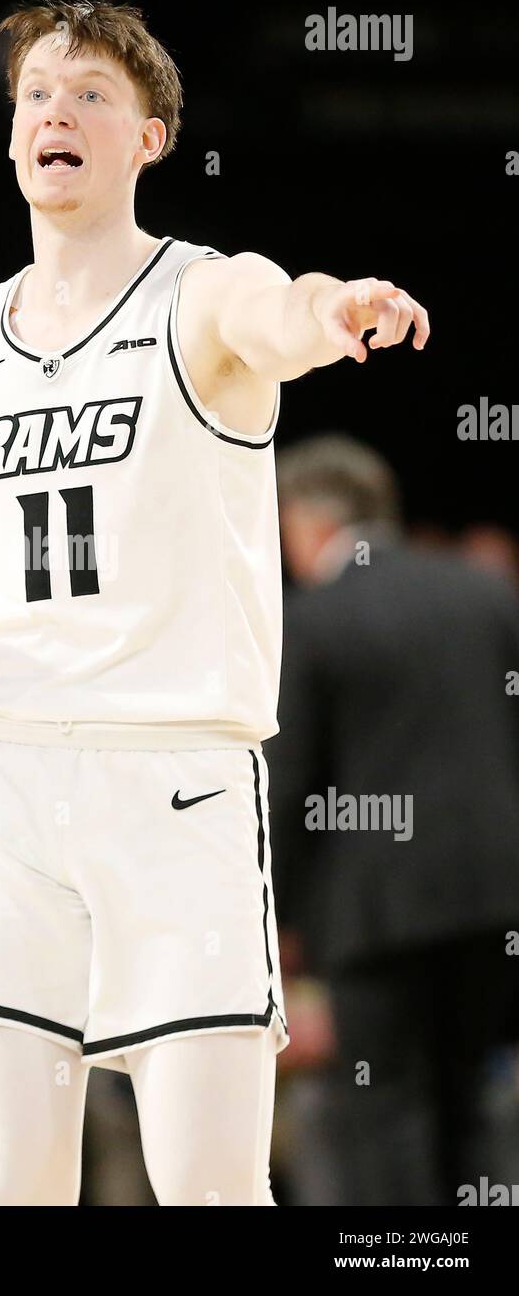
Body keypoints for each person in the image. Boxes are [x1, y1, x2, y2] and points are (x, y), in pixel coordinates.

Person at [0, 0, 430, 1206]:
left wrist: (334, 313)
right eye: (35, 95)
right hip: (6, 774)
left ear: (148, 136)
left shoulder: (201, 295)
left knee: (207, 1189)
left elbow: (280, 311)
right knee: (9, 1185)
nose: (54, 112)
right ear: (11, 134)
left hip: (175, 776)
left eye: (90, 94)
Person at [268, 434, 519, 1205]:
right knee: (471, 1104)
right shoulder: (484, 594)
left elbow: (291, 785)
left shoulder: (311, 621)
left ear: (305, 521)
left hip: (375, 914)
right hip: (494, 899)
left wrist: (280, 915)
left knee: (382, 1114)